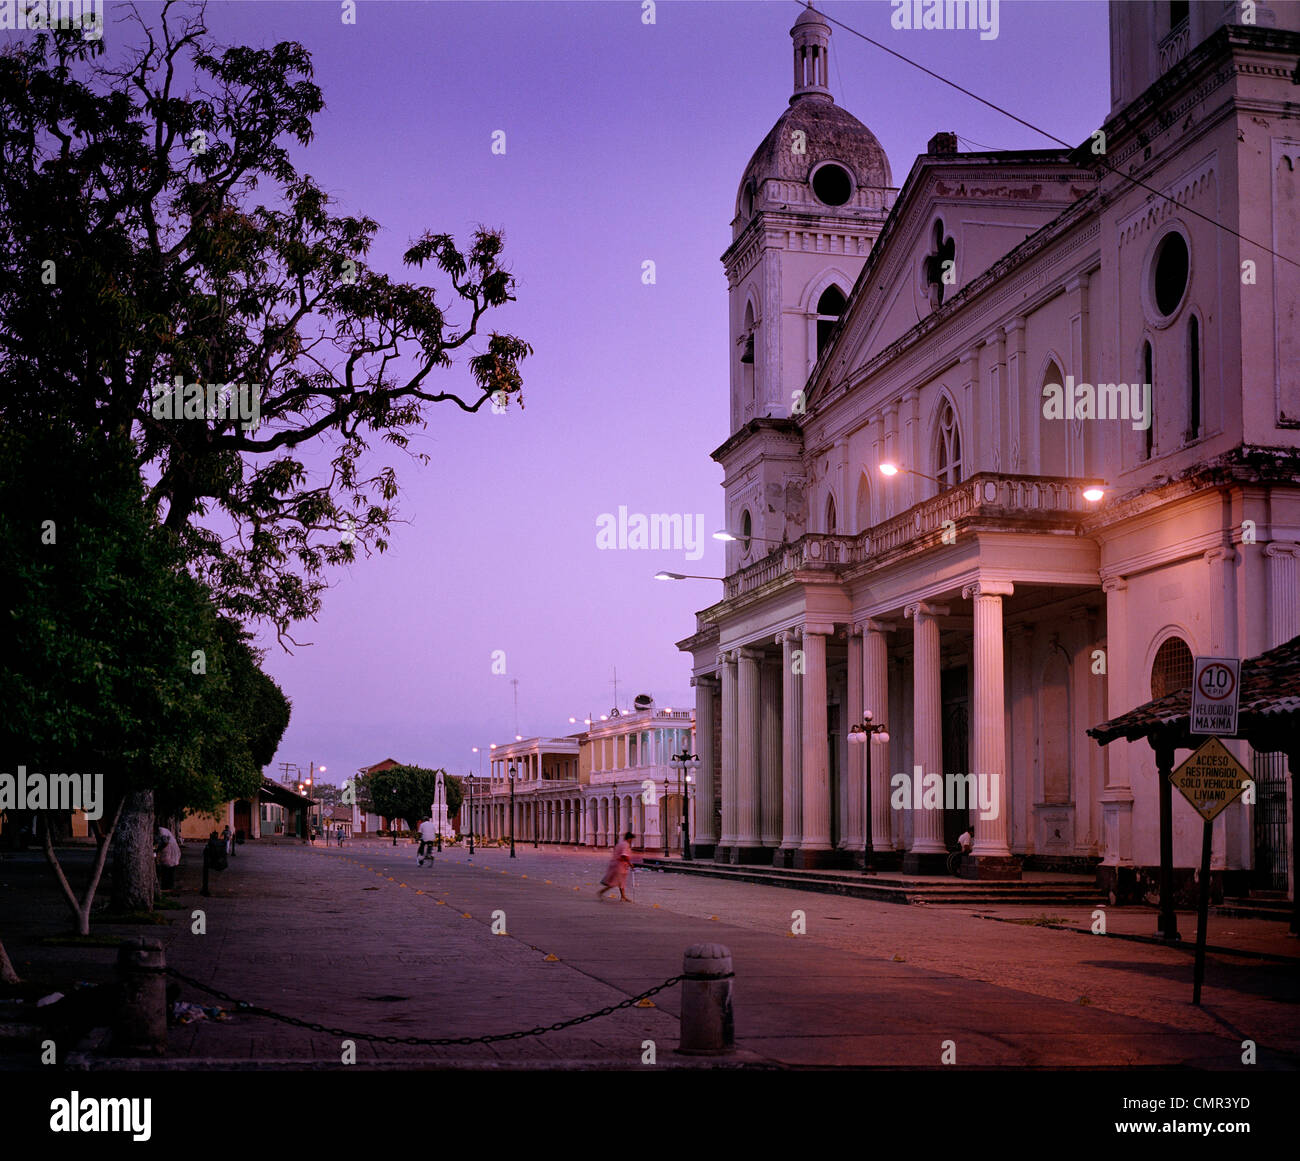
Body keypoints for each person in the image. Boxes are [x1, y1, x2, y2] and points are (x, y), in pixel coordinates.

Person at [598, 831, 636, 902]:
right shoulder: (625, 845)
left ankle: (623, 897)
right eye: (631, 839)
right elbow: (624, 855)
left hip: (617, 865)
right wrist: (630, 864)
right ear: (629, 838)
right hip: (619, 866)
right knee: (614, 882)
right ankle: (601, 892)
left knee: (621, 881)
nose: (631, 841)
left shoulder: (620, 844)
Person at [155, 825, 181, 890]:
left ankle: (166, 887)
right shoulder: (163, 830)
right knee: (169, 868)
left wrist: (157, 849)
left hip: (169, 850)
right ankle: (169, 886)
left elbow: (165, 842)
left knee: (167, 869)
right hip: (170, 851)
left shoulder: (161, 831)